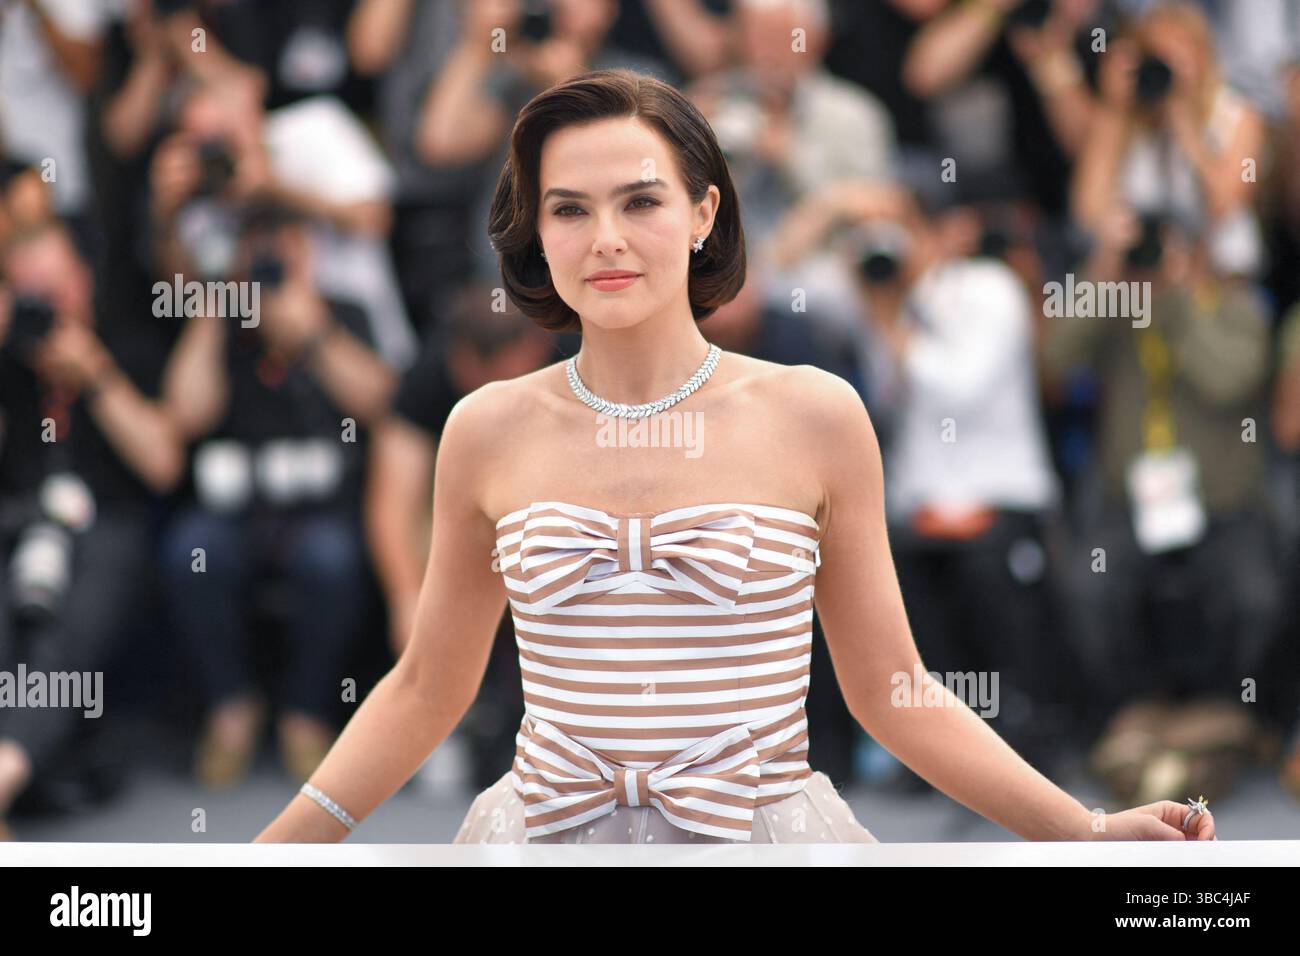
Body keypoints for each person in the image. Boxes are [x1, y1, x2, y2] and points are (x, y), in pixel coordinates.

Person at [254, 68, 1217, 845]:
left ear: (706, 212)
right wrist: (275, 853)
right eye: (570, 210)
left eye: (641, 201)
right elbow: (427, 686)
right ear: (536, 234)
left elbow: (894, 691)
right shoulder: (484, 426)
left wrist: (1082, 833)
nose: (608, 241)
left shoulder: (815, 414)